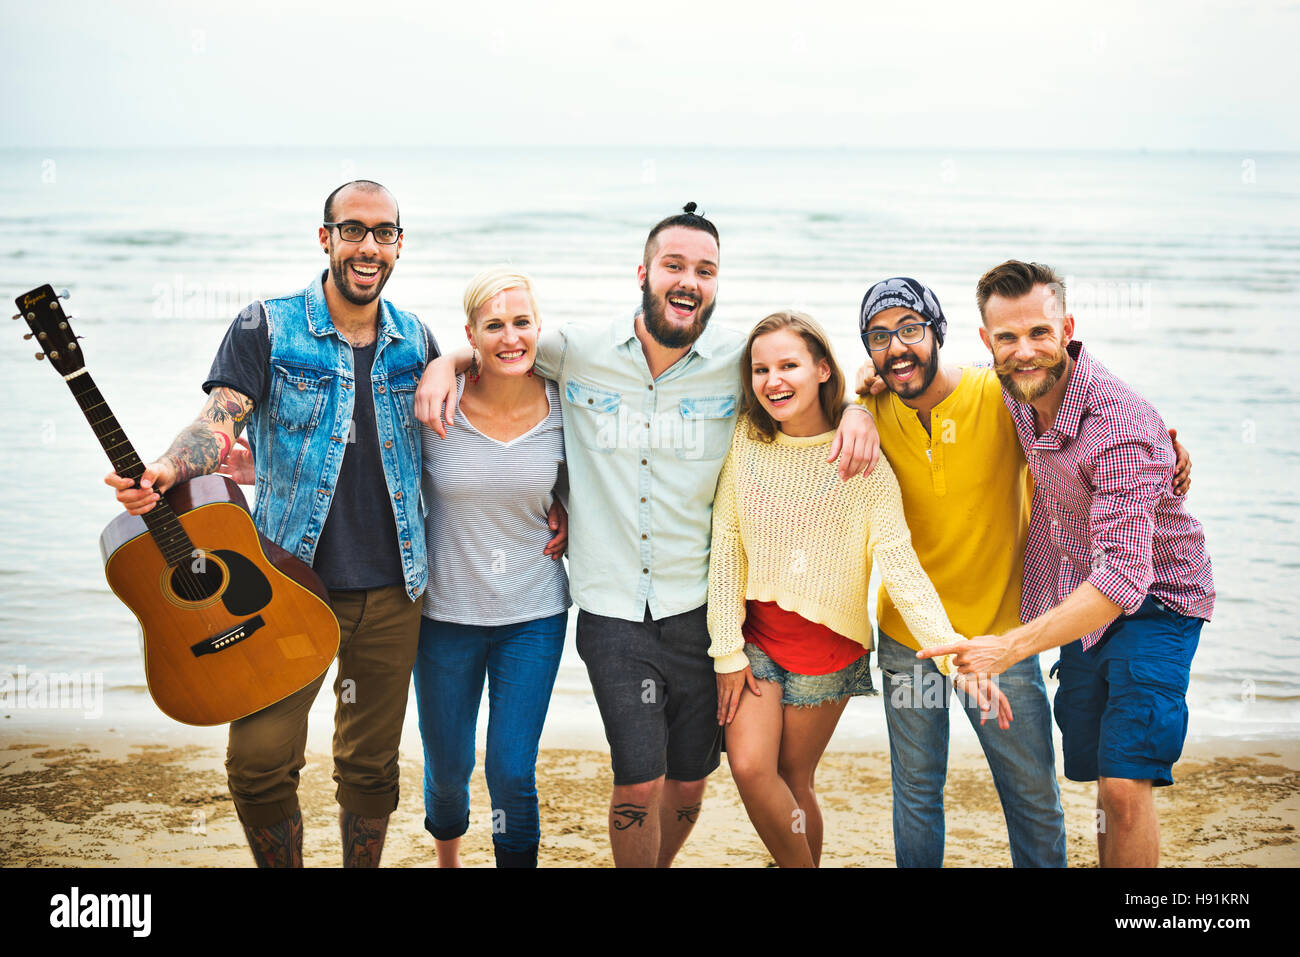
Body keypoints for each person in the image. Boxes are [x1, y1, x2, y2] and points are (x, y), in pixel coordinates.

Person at [414, 203, 880, 867]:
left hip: (705, 613)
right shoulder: (578, 351)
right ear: (645, 272)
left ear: (717, 282)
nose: (688, 280)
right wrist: (444, 364)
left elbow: (806, 380)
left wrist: (860, 411)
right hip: (610, 615)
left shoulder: (738, 363)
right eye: (674, 265)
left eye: (705, 269)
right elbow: (501, 343)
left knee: (690, 780)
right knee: (637, 779)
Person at [108, 180, 439, 868]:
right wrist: (170, 467)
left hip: (395, 589)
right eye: (353, 229)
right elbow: (221, 414)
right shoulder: (269, 326)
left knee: (371, 767)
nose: (367, 245)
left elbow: (459, 442)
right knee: (259, 761)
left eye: (383, 232)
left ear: (399, 246)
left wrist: (552, 502)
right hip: (285, 584)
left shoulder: (418, 342)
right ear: (325, 238)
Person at [920, 260, 1214, 868]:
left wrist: (1008, 648)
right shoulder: (1012, 388)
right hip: (1081, 601)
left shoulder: (1118, 423)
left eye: (1039, 333)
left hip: (1156, 600)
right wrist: (865, 387)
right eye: (1008, 337)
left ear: (1068, 329)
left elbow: (1126, 578)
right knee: (1103, 776)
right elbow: (938, 382)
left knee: (1125, 784)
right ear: (987, 342)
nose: (1025, 351)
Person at [708, 310, 1010, 868]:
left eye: (789, 365)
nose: (773, 380)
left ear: (823, 369)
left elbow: (901, 567)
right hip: (755, 642)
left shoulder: (863, 462)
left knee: (795, 777)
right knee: (751, 768)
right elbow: (726, 549)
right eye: (760, 369)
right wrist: (726, 650)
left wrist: (953, 654)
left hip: (828, 650)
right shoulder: (747, 442)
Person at [855, 277, 1068, 867]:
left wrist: (1166, 449)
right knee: (918, 794)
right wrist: (852, 406)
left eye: (910, 329)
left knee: (1032, 799)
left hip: (1002, 641)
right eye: (879, 336)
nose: (897, 347)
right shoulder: (867, 409)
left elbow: (1085, 423)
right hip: (909, 642)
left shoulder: (998, 394)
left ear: (938, 333)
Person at [412, 266, 569, 869]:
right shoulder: (434, 404)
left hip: (534, 614)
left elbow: (605, 475)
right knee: (448, 768)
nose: (511, 338)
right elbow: (376, 474)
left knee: (511, 769)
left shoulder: (562, 404)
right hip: (444, 615)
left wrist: (568, 510)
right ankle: (448, 860)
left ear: (538, 328)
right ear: (471, 334)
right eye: (495, 325)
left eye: (522, 322)